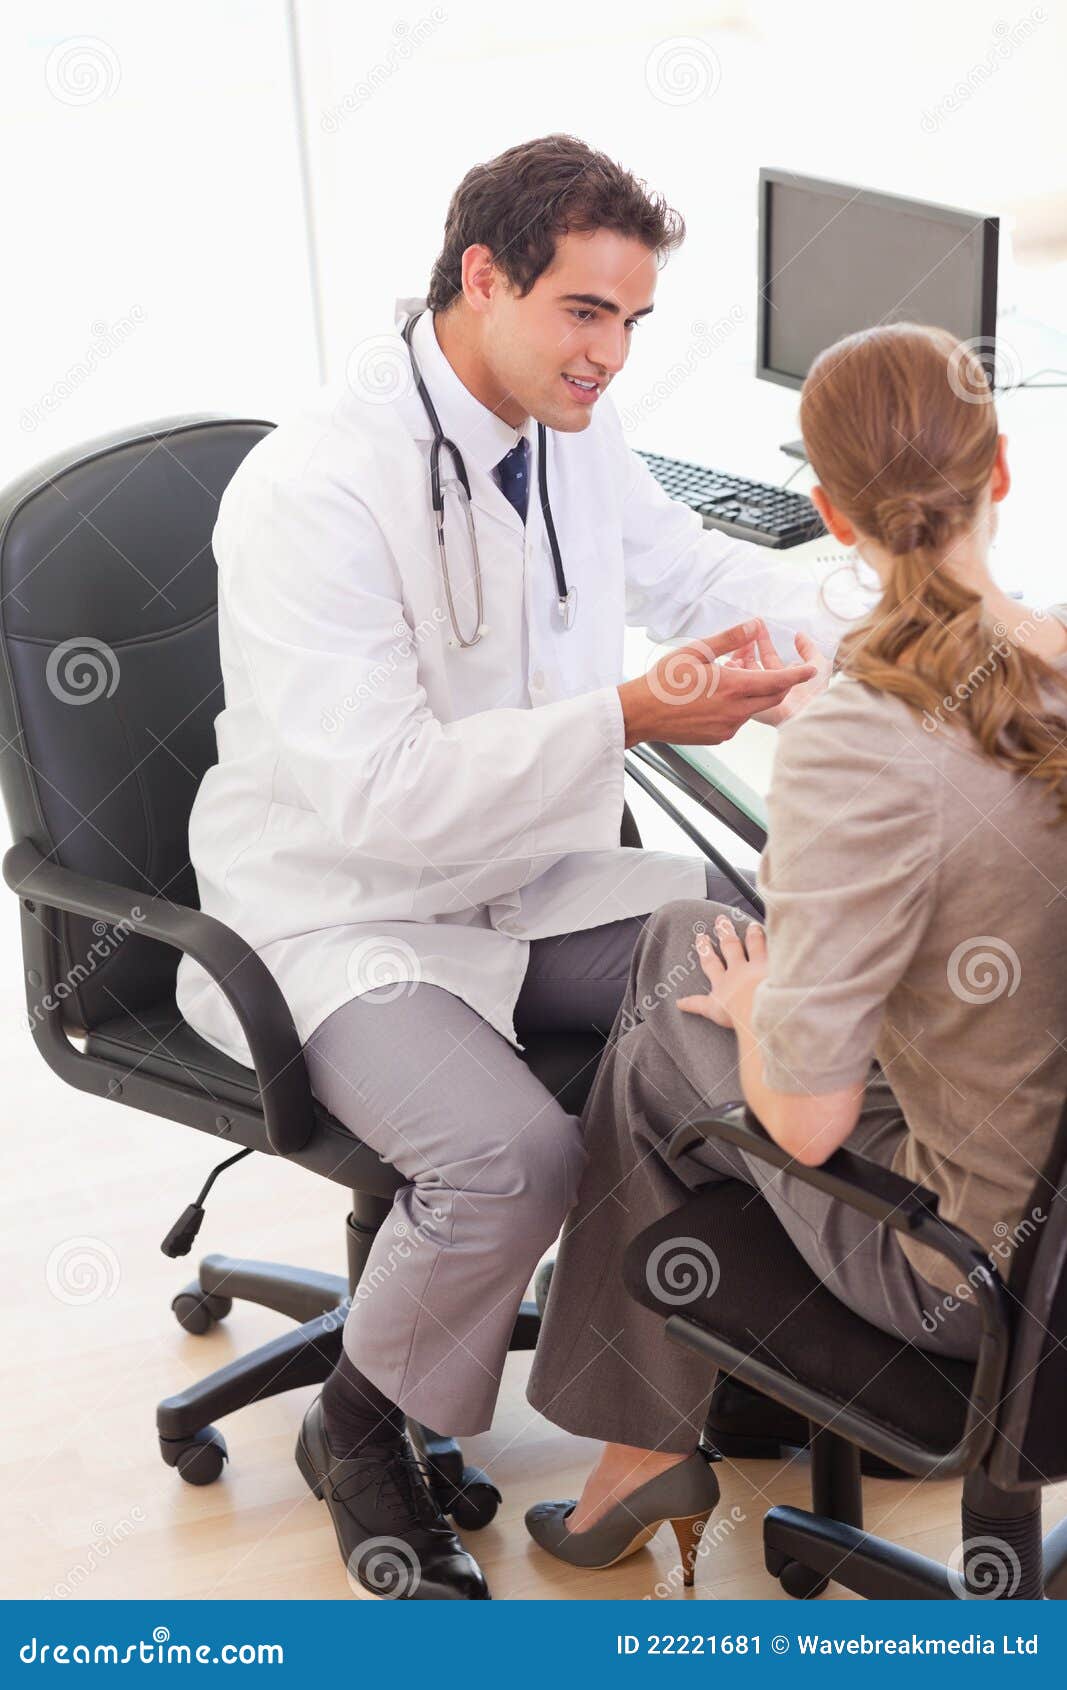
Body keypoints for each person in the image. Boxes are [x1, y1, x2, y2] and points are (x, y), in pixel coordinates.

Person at [176, 134, 866, 1599]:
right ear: (480, 277)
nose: (609, 355)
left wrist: (877, 639)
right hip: (342, 910)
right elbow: (377, 797)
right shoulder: (318, 487)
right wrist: (625, 713)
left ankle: (658, 1390)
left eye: (630, 321)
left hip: (523, 879)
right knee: (510, 1154)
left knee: (743, 972)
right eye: (582, 312)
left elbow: (693, 569)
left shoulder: (565, 424)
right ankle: (358, 1428)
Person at [523, 321, 1067, 1586]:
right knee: (682, 934)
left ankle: (640, 1448)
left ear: (824, 508)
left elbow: (807, 1126)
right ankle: (686, 1414)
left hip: (972, 1279)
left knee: (678, 992)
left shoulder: (855, 744)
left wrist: (767, 1002)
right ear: (999, 473)